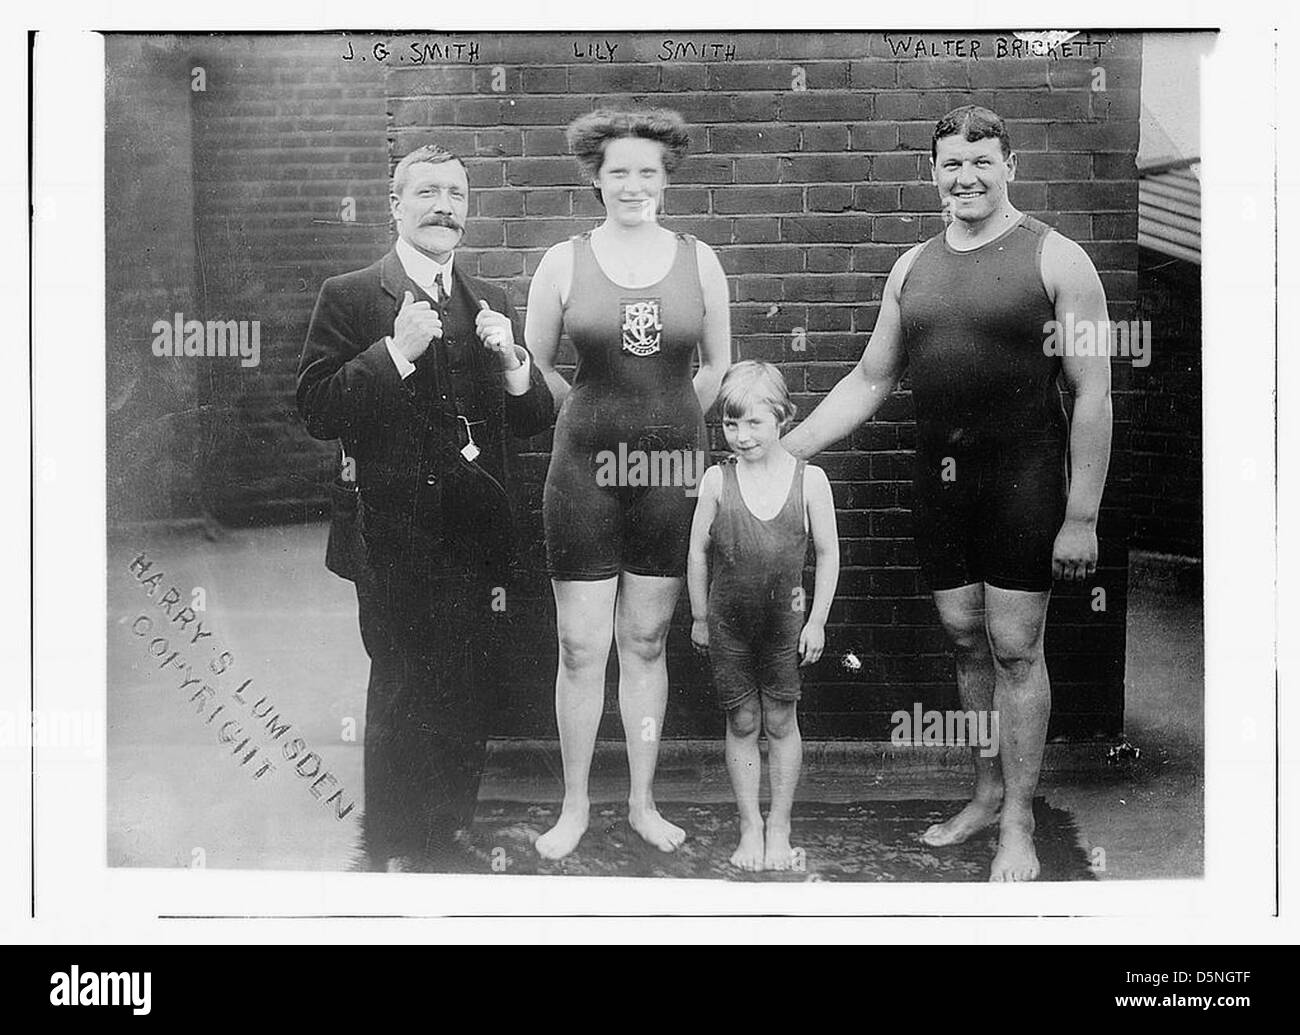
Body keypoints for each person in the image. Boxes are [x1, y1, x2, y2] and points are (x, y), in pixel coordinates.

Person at [783, 105, 1113, 881]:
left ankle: (1022, 825)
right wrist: (789, 452)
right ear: (934, 172)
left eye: (981, 162)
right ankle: (987, 794)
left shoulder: (1059, 260)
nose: (966, 177)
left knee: (1015, 649)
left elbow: (1092, 393)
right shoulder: (913, 266)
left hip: (1025, 481)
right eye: (951, 165)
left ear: (1010, 167)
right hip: (941, 485)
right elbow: (871, 377)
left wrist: (1082, 516)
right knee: (967, 640)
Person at [296, 143, 554, 872]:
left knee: (468, 683)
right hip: (391, 536)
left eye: (457, 195)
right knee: (405, 682)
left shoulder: (493, 301)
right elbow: (315, 405)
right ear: (396, 207)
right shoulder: (351, 295)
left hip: (475, 538)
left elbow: (533, 416)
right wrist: (392, 354)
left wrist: (513, 364)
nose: (445, 207)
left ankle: (446, 833)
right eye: (429, 192)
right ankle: (392, 849)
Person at [524, 108, 732, 860]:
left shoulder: (698, 259)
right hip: (582, 473)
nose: (634, 184)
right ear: (596, 178)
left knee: (644, 639)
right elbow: (537, 367)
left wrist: (669, 424)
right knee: (581, 646)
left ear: (666, 178)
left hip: (669, 477)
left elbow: (716, 369)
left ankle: (643, 802)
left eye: (648, 171)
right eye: (619, 172)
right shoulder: (563, 260)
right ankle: (575, 805)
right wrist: (588, 417)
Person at [687, 362, 839, 872]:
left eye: (755, 423)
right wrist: (700, 616)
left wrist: (816, 620)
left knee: (780, 719)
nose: (742, 435)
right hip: (729, 624)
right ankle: (751, 825)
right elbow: (697, 553)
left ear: (783, 419)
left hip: (784, 626)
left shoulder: (810, 480)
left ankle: (780, 825)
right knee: (742, 718)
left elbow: (829, 554)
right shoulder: (716, 479)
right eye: (732, 424)